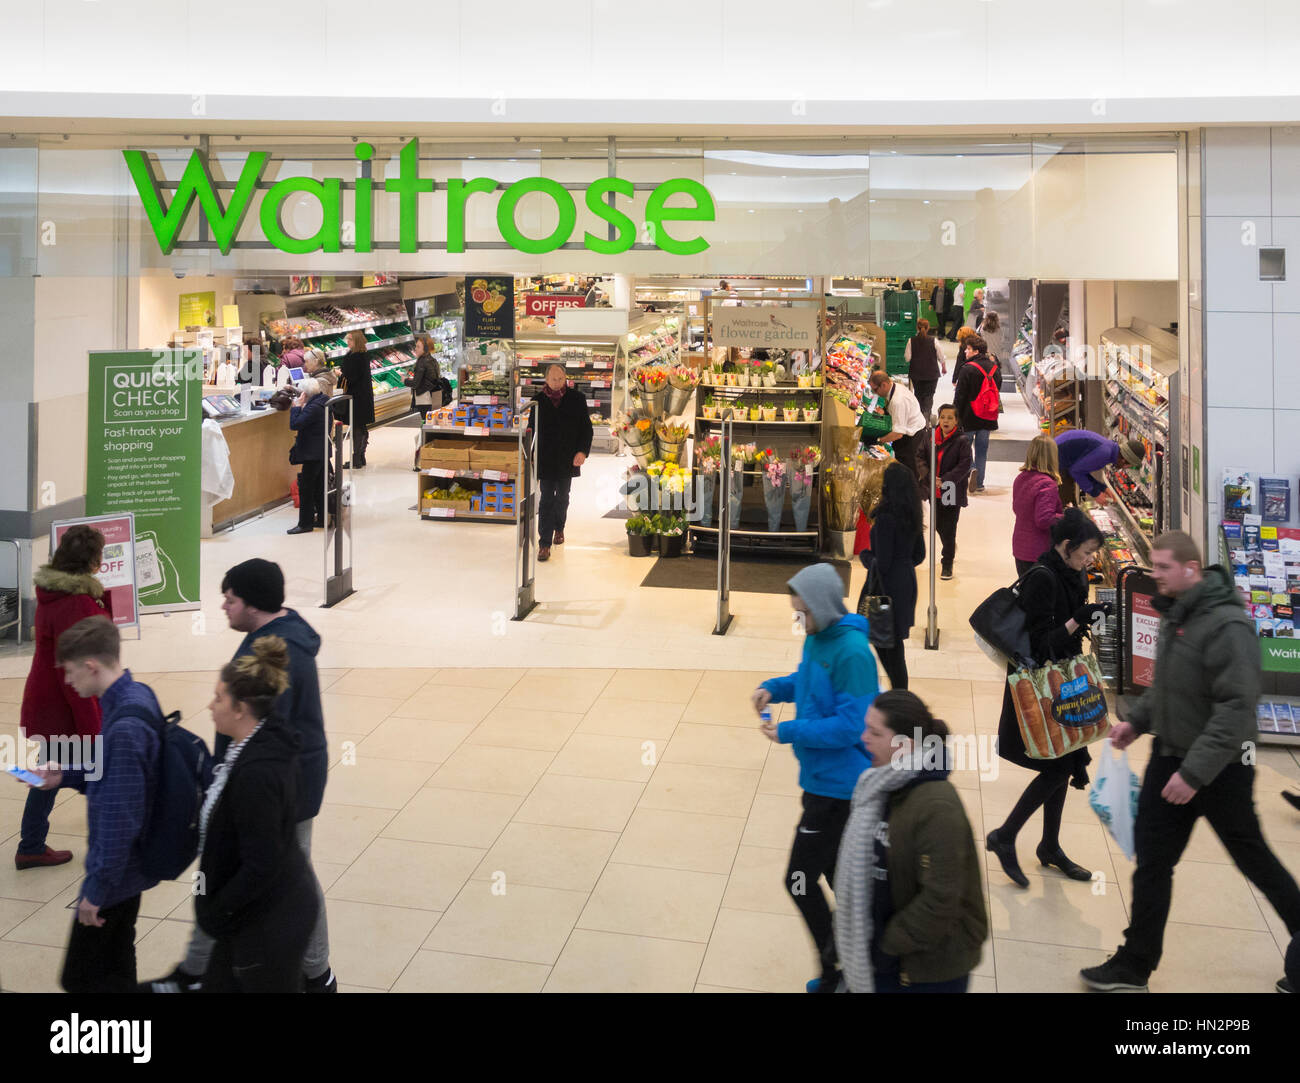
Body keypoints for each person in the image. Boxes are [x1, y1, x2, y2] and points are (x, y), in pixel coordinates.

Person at [1081, 531, 1300, 994]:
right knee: (1154, 862)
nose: (1154, 576)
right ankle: (1134, 964)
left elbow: (1235, 708)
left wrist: (1193, 773)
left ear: (1191, 569)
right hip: (1171, 758)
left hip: (1219, 770)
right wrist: (1136, 723)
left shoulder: (1227, 626)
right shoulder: (1179, 613)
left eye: (1162, 568)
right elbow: (1167, 686)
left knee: (1254, 859)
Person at [144, 558, 333, 994]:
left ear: (251, 603)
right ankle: (308, 970)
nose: (224, 606)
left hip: (284, 791)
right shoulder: (281, 638)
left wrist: (233, 783)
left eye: (229, 599)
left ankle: (316, 972)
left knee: (287, 875)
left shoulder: (274, 658)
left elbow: (267, 734)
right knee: (290, 873)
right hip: (293, 783)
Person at [751, 563, 878, 993]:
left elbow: (851, 727)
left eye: (801, 612)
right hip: (819, 782)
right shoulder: (818, 638)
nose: (797, 620)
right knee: (840, 878)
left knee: (798, 879)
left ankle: (837, 969)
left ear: (822, 607)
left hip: (839, 790)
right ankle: (862, 961)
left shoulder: (854, 654)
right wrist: (773, 687)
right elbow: (807, 682)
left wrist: (788, 731)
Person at [37, 616, 161, 993]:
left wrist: (95, 891)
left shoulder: (123, 727)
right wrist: (68, 776)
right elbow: (118, 778)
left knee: (82, 977)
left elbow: (118, 819)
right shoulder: (136, 695)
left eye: (71, 673)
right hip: (130, 871)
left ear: (91, 666)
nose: (69, 682)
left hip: (115, 879)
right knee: (116, 962)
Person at [834, 690, 988, 993]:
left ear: (906, 745)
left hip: (926, 971)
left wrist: (887, 944)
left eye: (875, 732)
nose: (864, 738)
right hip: (888, 958)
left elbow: (940, 900)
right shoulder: (883, 783)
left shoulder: (936, 807)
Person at [987, 508, 1106, 889]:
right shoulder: (1043, 579)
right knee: (1056, 766)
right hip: (1039, 687)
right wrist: (1079, 618)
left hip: (1065, 682)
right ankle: (1005, 836)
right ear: (1066, 546)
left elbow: (1068, 636)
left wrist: (1091, 618)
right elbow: (1038, 648)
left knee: (1066, 759)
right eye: (1087, 552)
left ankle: (1050, 846)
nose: (1091, 560)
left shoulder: (1075, 574)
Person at [197, 637, 321, 993]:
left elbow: (261, 863)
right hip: (257, 914)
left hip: (269, 922)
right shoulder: (258, 745)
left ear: (240, 708)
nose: (210, 705)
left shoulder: (258, 773)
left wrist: (217, 910)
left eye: (219, 697)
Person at [15, 525, 112, 870]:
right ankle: (107, 843)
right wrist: (92, 729)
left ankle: (31, 844)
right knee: (95, 773)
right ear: (93, 562)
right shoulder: (77, 605)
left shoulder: (54, 593)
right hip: (66, 707)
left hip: (47, 701)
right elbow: (76, 677)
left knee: (51, 774)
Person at [861, 462, 925, 690]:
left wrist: (866, 556)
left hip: (886, 588)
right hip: (906, 584)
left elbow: (882, 563)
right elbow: (920, 555)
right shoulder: (913, 514)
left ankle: (901, 697)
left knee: (885, 645)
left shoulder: (886, 517)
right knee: (895, 645)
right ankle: (900, 694)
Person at [531, 363, 593, 562]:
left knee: (563, 496)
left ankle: (560, 528)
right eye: (553, 379)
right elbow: (531, 431)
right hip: (546, 459)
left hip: (568, 457)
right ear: (546, 380)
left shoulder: (577, 399)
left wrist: (582, 451)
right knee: (546, 498)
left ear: (565, 379)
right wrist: (530, 456)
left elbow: (586, 429)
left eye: (560, 379)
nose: (557, 383)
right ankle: (544, 544)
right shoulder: (537, 402)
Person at [951, 333, 998, 494]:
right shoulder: (994, 368)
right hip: (988, 416)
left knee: (965, 449)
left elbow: (960, 396)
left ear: (976, 351)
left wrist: (954, 416)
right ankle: (979, 483)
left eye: (968, 349)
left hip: (968, 416)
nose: (965, 352)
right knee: (982, 450)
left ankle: (970, 470)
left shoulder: (967, 369)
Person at [1012, 434, 1065, 576]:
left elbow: (1017, 508)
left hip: (1020, 545)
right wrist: (1065, 517)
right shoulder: (1047, 484)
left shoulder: (1021, 478)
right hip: (1038, 550)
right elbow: (1044, 520)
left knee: (1026, 591)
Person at [1055, 428, 1145, 509]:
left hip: (1062, 459)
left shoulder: (1109, 449)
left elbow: (1081, 470)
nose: (1125, 468)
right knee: (1064, 505)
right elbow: (1075, 471)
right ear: (1124, 460)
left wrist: (1102, 488)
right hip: (1055, 459)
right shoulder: (1104, 454)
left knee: (1070, 505)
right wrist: (1096, 494)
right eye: (1129, 466)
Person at [933, 404, 972, 581]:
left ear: (956, 421)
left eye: (950, 418)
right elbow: (920, 456)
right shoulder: (932, 438)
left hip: (950, 489)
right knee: (937, 524)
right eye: (943, 417)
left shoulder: (962, 441)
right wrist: (928, 476)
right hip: (934, 489)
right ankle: (949, 545)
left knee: (948, 527)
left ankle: (947, 563)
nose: (946, 421)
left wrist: (945, 480)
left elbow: (964, 465)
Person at [865, 369, 926, 480]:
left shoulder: (898, 401)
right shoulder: (895, 386)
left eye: (875, 390)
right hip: (910, 431)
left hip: (912, 438)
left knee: (909, 472)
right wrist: (884, 411)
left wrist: (878, 441)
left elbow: (898, 434)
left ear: (883, 385)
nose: (874, 393)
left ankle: (913, 494)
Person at [287, 377, 329, 535]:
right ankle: (322, 518)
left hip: (313, 452)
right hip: (320, 450)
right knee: (318, 487)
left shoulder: (313, 408)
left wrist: (296, 407)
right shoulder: (322, 400)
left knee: (306, 487)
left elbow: (295, 424)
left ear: (304, 394)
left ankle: (305, 523)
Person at [336, 329, 374, 468]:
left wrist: (340, 373)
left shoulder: (354, 357)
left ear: (356, 341)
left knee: (357, 427)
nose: (348, 342)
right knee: (361, 426)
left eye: (350, 339)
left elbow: (350, 377)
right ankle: (361, 456)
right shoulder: (364, 355)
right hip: (364, 396)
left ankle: (356, 459)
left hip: (356, 397)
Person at [904, 318, 945, 423]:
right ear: (928, 328)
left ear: (917, 328)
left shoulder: (911, 341)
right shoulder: (933, 340)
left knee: (918, 394)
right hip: (931, 374)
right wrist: (943, 367)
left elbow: (907, 358)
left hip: (916, 373)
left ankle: (918, 418)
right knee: (929, 395)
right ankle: (926, 418)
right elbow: (941, 356)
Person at [405, 333, 444, 418]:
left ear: (425, 349)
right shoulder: (433, 360)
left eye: (418, 347)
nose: (415, 349)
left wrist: (405, 380)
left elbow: (415, 383)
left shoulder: (422, 362)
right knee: (433, 420)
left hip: (425, 398)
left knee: (426, 421)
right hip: (435, 395)